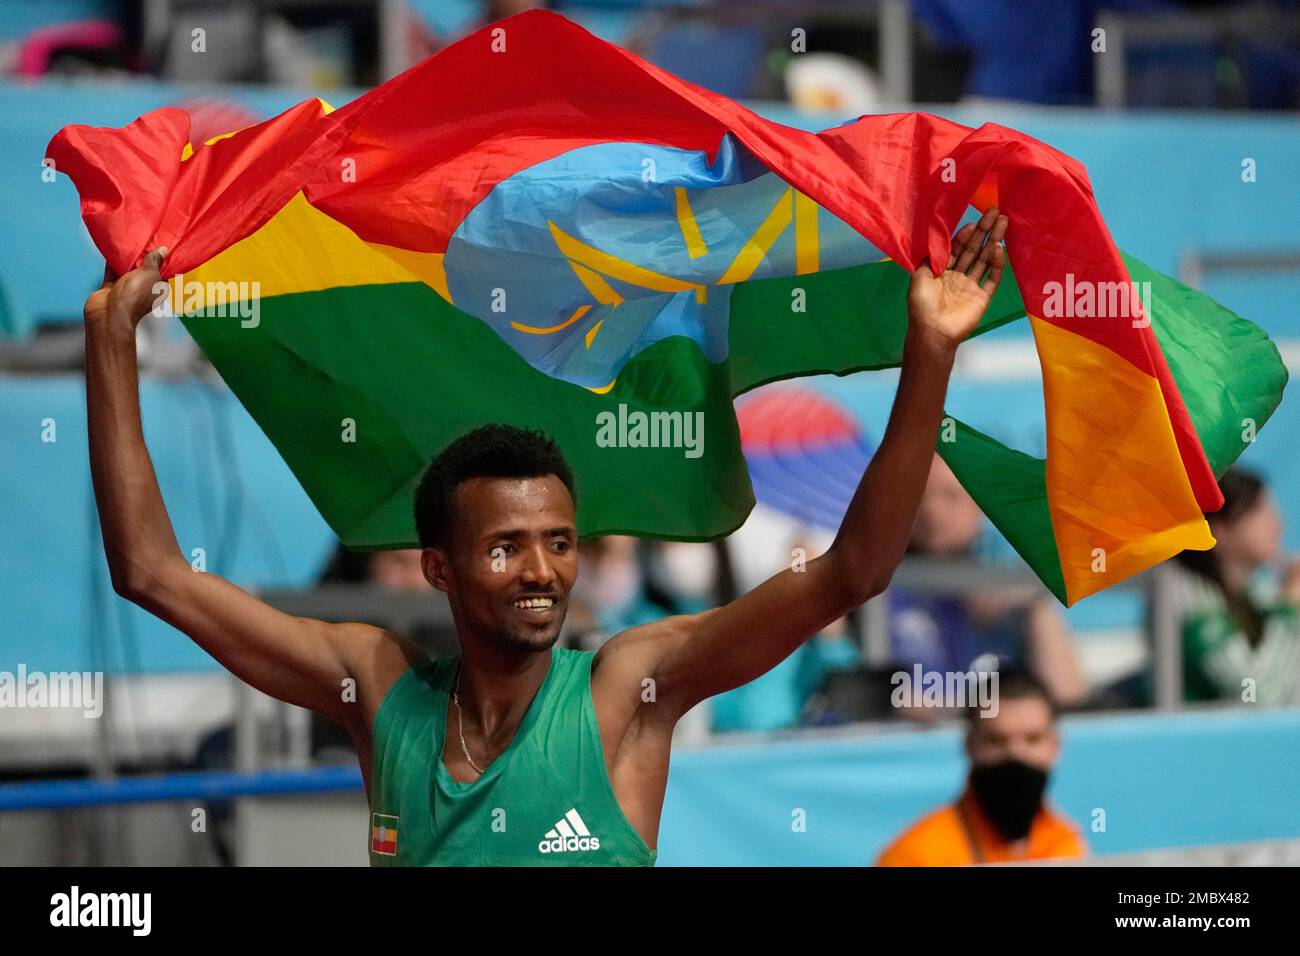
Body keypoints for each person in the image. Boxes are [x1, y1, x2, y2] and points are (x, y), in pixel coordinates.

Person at [83, 209, 1009, 866]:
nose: (542, 572)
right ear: (437, 567)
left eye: (560, 543)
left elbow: (853, 572)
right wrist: (110, 344)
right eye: (506, 547)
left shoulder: (627, 692)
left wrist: (929, 352)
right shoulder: (377, 685)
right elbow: (153, 574)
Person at [890, 454, 1085, 710]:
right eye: (919, 495)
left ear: (980, 505)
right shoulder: (876, 591)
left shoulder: (1009, 590)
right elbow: (886, 702)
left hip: (994, 735)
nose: (932, 511)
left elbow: (1066, 694)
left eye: (951, 496)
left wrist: (1035, 607)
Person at [876, 667, 1086, 866]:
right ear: (969, 745)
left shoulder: (1065, 844)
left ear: (1055, 746)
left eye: (1033, 739)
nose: (1015, 754)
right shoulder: (918, 856)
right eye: (997, 740)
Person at [1170, 468, 1300, 706]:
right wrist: (1289, 611)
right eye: (1259, 510)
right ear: (1219, 529)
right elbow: (1259, 698)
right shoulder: (1185, 600)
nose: (1277, 520)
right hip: (1197, 740)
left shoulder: (1257, 595)